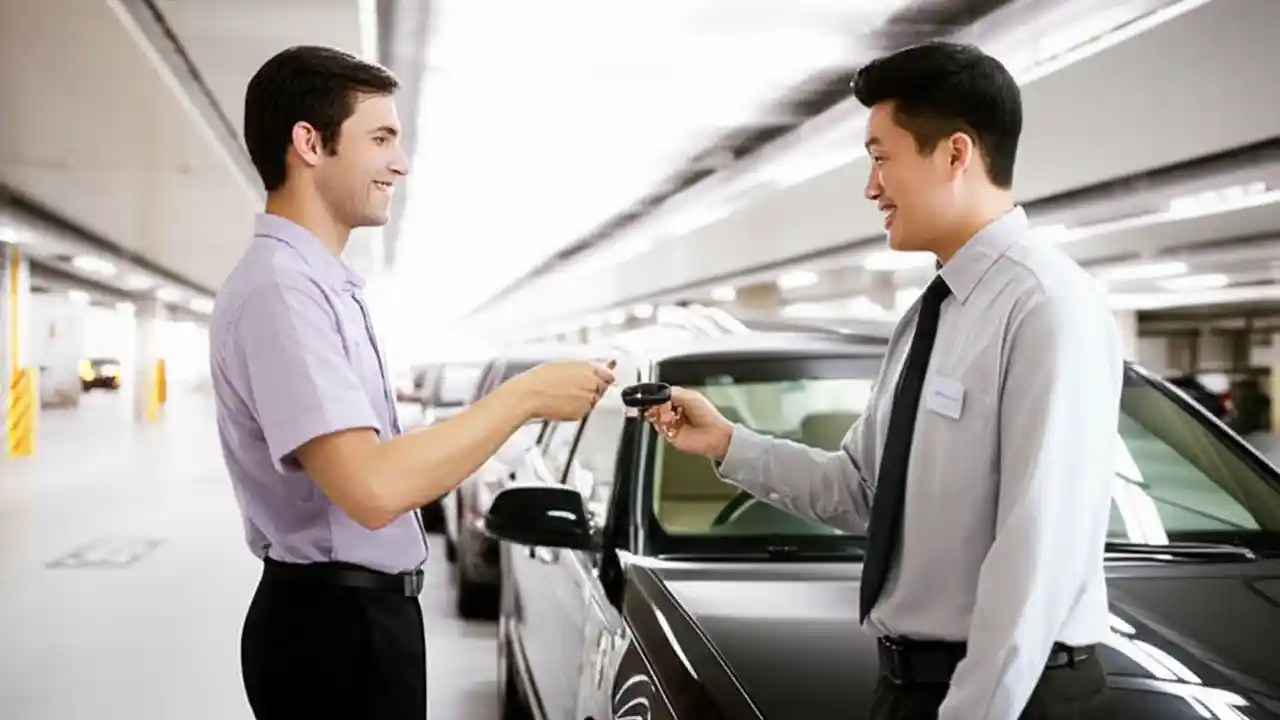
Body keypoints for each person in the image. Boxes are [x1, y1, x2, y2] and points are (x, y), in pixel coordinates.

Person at [648, 41, 1120, 719]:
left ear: (955, 155)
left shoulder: (1046, 307)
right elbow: (863, 491)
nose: (871, 188)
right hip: (910, 686)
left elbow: (1034, 558)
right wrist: (727, 443)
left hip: (1009, 697)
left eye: (880, 158)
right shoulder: (930, 316)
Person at [209, 46, 614, 719]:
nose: (399, 163)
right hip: (333, 632)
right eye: (380, 139)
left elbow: (380, 466)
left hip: (353, 619)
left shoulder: (320, 286)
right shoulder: (283, 293)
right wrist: (525, 396)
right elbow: (373, 488)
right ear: (309, 143)